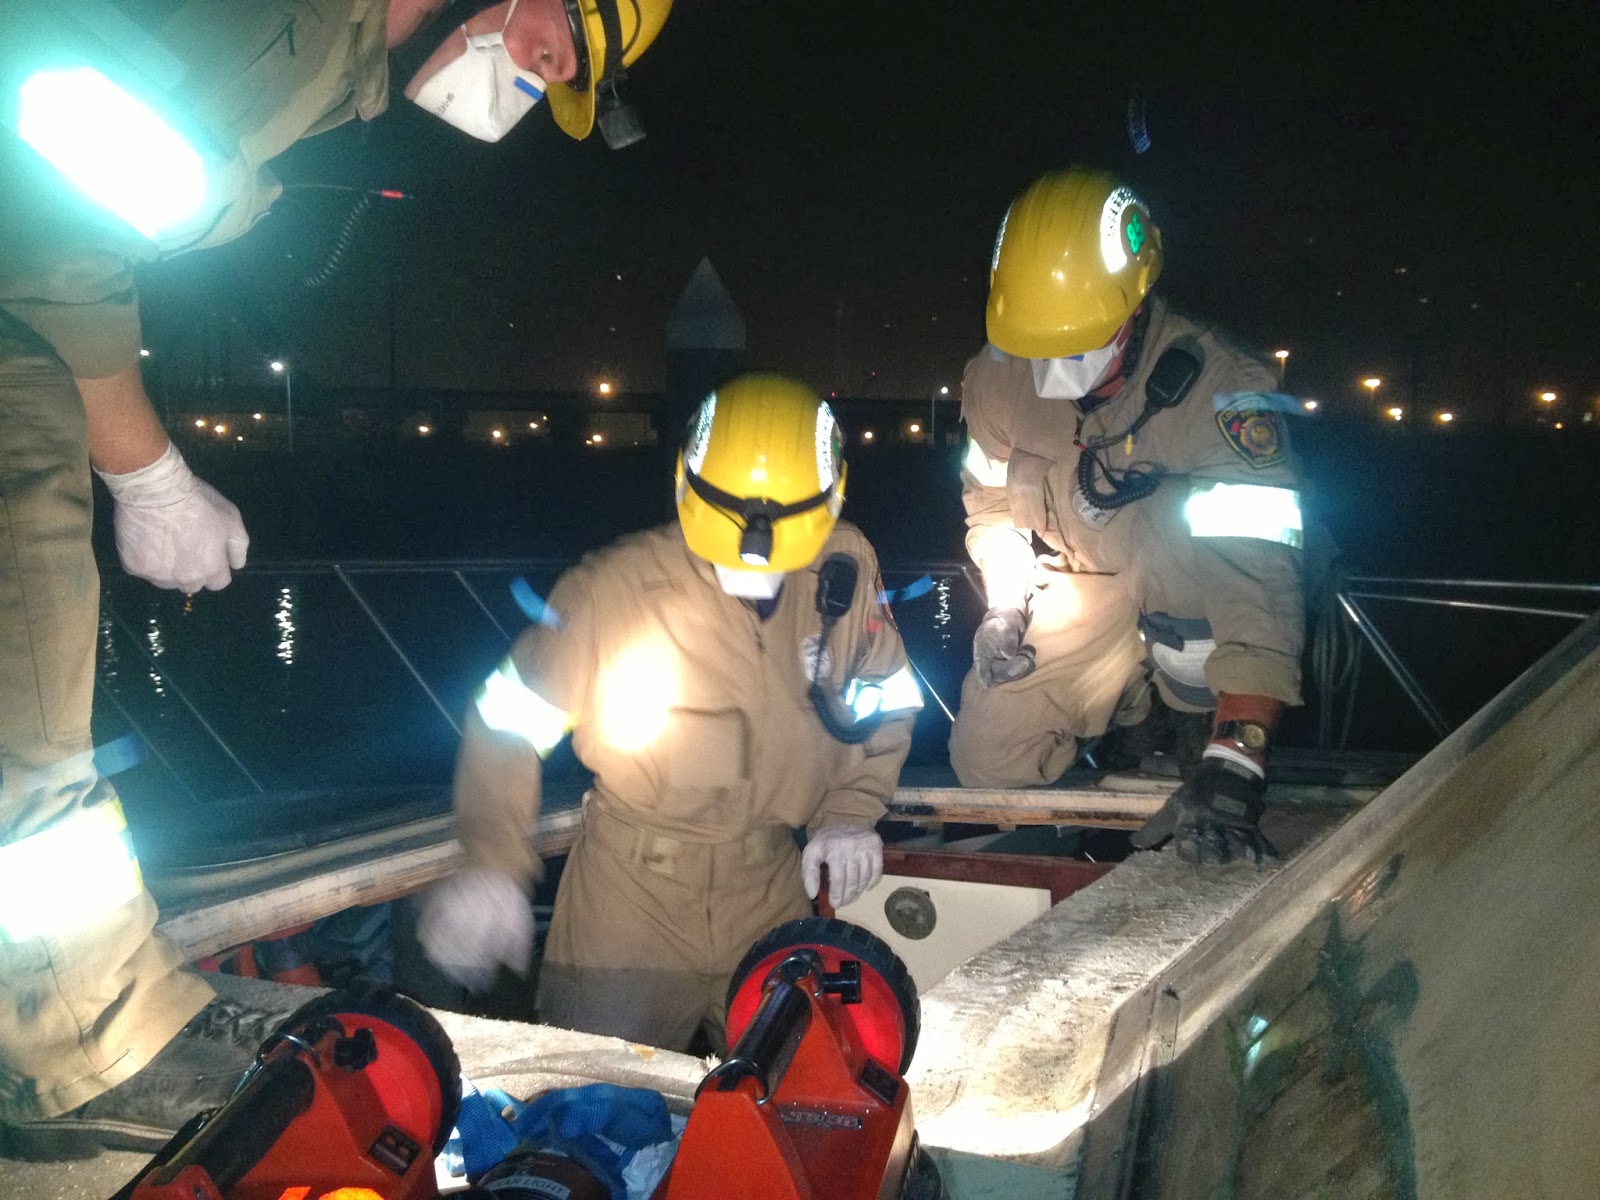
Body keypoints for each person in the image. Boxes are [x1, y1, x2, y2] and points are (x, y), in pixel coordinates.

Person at [0, 0, 672, 1158]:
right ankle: (89, 1046)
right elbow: (44, 197)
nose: (522, 96)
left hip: (37, 336)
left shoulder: (339, 69)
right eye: (550, 49)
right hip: (27, 326)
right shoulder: (298, 26)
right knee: (27, 722)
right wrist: (143, 462)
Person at [418, 374, 922, 1051]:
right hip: (630, 899)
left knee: (790, 1104)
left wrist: (849, 814)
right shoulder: (611, 589)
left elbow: (888, 696)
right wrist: (492, 862)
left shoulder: (847, 573)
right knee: (596, 1106)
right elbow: (508, 720)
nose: (752, 572)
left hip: (772, 887)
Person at [949, 167, 1306, 866]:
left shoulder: (1224, 386)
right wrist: (1004, 609)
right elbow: (990, 504)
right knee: (988, 758)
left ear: (1135, 309)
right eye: (1036, 347)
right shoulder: (992, 379)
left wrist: (1239, 757)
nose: (1052, 368)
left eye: (1076, 343)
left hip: (1197, 597)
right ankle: (1122, 717)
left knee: (1203, 664)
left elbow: (1259, 575)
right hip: (1084, 586)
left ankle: (1188, 720)